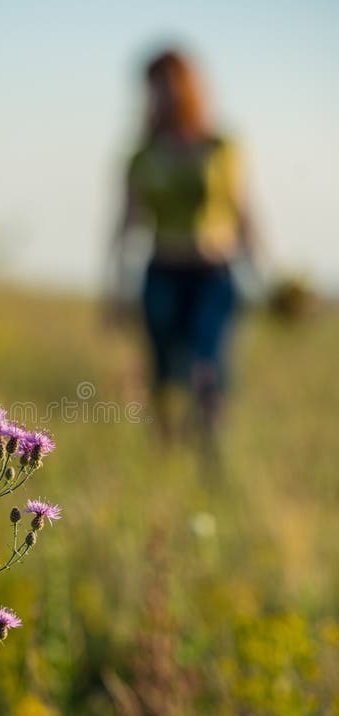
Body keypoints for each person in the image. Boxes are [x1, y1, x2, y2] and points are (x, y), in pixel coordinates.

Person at [110, 48, 256, 446]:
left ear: (189, 86)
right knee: (162, 372)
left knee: (207, 365)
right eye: (154, 85)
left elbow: (244, 211)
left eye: (169, 82)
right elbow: (125, 223)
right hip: (162, 274)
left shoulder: (220, 146)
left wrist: (263, 273)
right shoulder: (142, 155)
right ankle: (165, 450)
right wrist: (116, 285)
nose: (163, 93)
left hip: (214, 275)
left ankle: (209, 449)